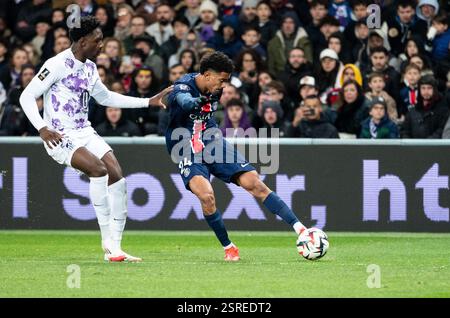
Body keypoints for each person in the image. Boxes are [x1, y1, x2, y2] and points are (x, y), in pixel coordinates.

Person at [19, 16, 171, 262]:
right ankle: (107, 242)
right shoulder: (57, 64)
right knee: (98, 170)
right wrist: (42, 127)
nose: (101, 45)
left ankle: (117, 248)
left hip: (85, 131)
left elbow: (106, 97)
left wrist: (148, 101)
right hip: (59, 134)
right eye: (97, 40)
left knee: (118, 178)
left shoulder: (89, 67)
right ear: (81, 41)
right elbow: (27, 96)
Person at [166, 51, 307, 261]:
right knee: (207, 196)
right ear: (206, 75)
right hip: (185, 144)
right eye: (222, 80)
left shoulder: (216, 89)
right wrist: (192, 102)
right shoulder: (183, 86)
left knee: (254, 182)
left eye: (227, 81)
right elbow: (183, 99)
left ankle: (301, 230)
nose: (224, 86)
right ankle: (229, 246)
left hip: (211, 138)